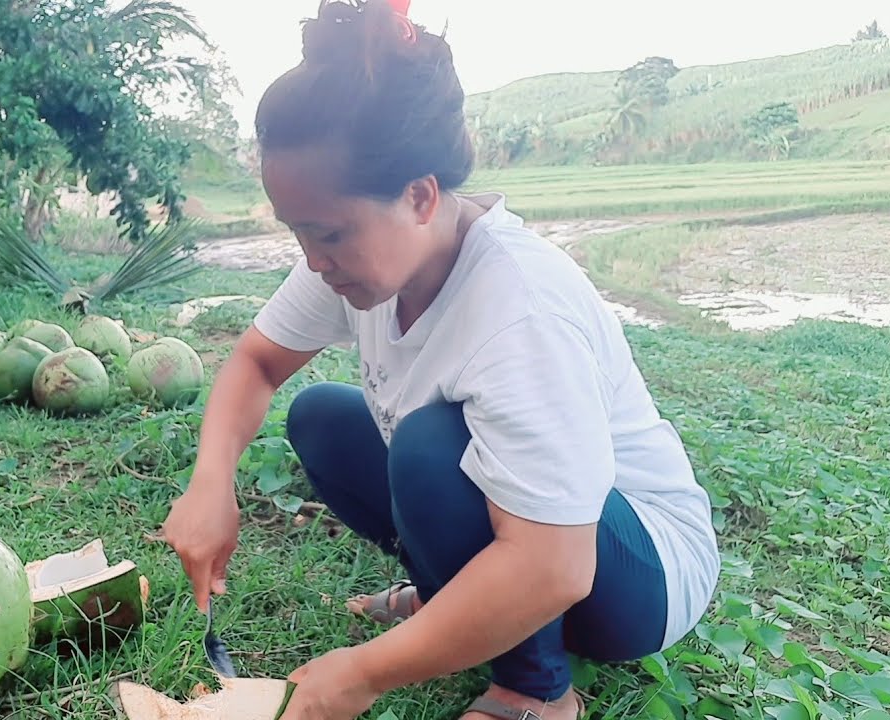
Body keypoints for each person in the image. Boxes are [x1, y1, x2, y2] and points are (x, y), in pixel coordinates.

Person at [160, 1, 721, 718]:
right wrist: (212, 482)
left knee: (432, 445)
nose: (313, 260)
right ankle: (453, 601)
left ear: (421, 195)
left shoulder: (519, 304)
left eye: (327, 232)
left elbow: (556, 566)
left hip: (636, 573)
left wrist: (361, 674)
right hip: (543, 541)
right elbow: (256, 364)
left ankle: (536, 693)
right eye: (298, 231)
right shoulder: (354, 259)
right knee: (322, 417)